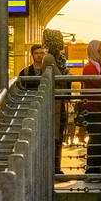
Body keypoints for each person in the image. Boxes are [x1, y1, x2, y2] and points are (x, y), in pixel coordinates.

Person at [43, 28, 70, 173]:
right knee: (54, 136)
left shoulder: (58, 58)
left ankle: (57, 167)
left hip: (60, 102)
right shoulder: (49, 58)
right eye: (59, 39)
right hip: (53, 105)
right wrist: (66, 74)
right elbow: (59, 77)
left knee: (59, 136)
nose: (62, 42)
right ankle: (53, 168)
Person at [82, 39, 101, 176]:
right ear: (94, 50)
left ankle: (99, 167)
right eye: (100, 50)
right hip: (92, 108)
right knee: (95, 137)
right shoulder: (88, 67)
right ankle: (92, 168)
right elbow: (96, 82)